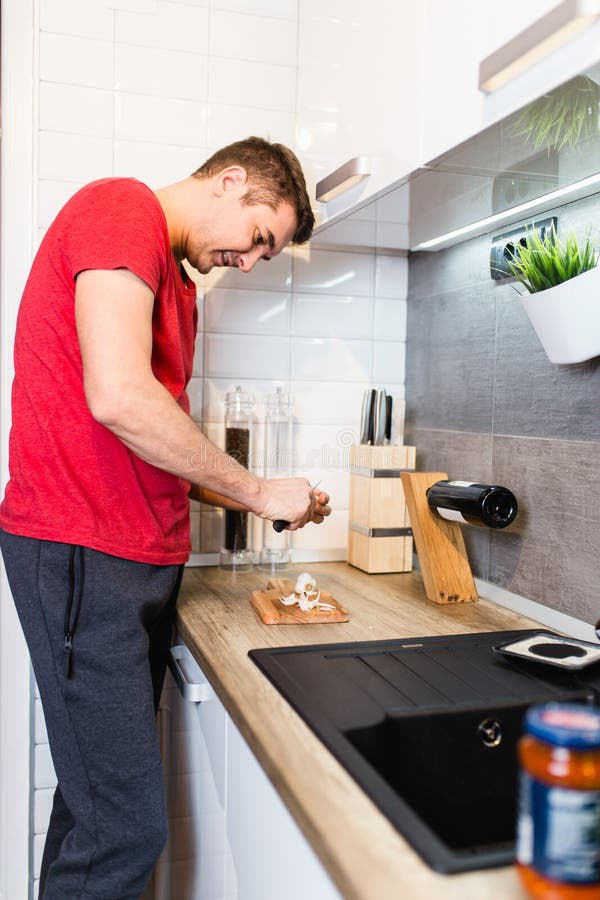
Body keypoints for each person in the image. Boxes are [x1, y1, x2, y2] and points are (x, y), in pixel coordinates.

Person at [0, 136, 331, 899]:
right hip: (83, 553)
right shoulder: (122, 210)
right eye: (259, 239)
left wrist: (270, 492)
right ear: (232, 181)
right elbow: (118, 396)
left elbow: (161, 443)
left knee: (96, 815)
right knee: (126, 829)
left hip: (126, 565)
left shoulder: (174, 286)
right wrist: (256, 493)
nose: (249, 263)